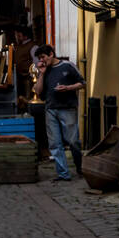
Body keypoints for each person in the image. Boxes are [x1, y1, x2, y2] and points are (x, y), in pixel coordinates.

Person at [34, 45, 85, 182]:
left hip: (68, 108)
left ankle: (80, 167)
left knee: (73, 141)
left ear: (51, 54)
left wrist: (68, 88)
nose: (42, 61)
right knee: (55, 143)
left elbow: (82, 83)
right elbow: (38, 92)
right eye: (39, 59)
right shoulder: (44, 70)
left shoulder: (68, 66)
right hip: (50, 109)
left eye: (43, 57)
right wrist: (42, 73)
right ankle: (63, 174)